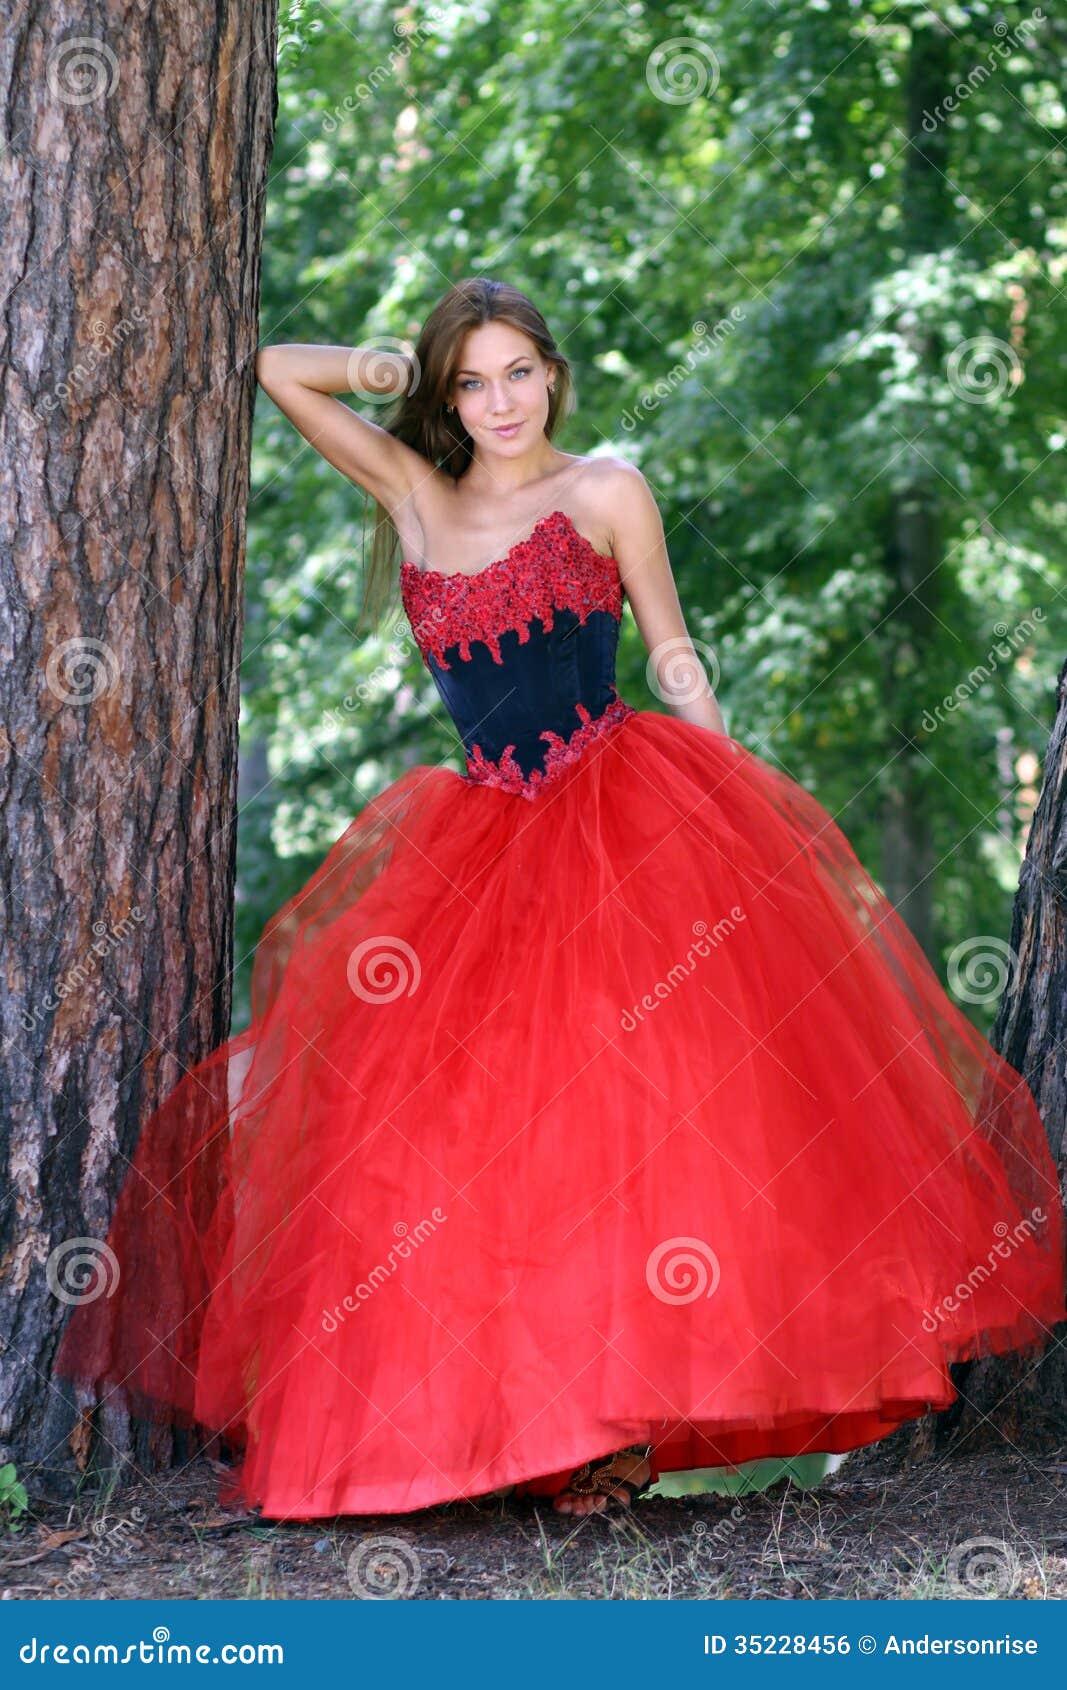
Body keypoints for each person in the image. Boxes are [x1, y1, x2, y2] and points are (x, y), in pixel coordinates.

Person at [55, 278, 1067, 1523]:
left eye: (517, 372)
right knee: (445, 1156)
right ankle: (494, 1429)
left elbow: (671, 650)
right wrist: (397, 372)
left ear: (553, 372)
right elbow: (273, 367)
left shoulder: (603, 492)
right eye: (471, 380)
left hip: (623, 822)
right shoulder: (414, 494)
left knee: (638, 1136)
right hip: (473, 846)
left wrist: (743, 810)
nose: (498, 402)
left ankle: (615, 1432)